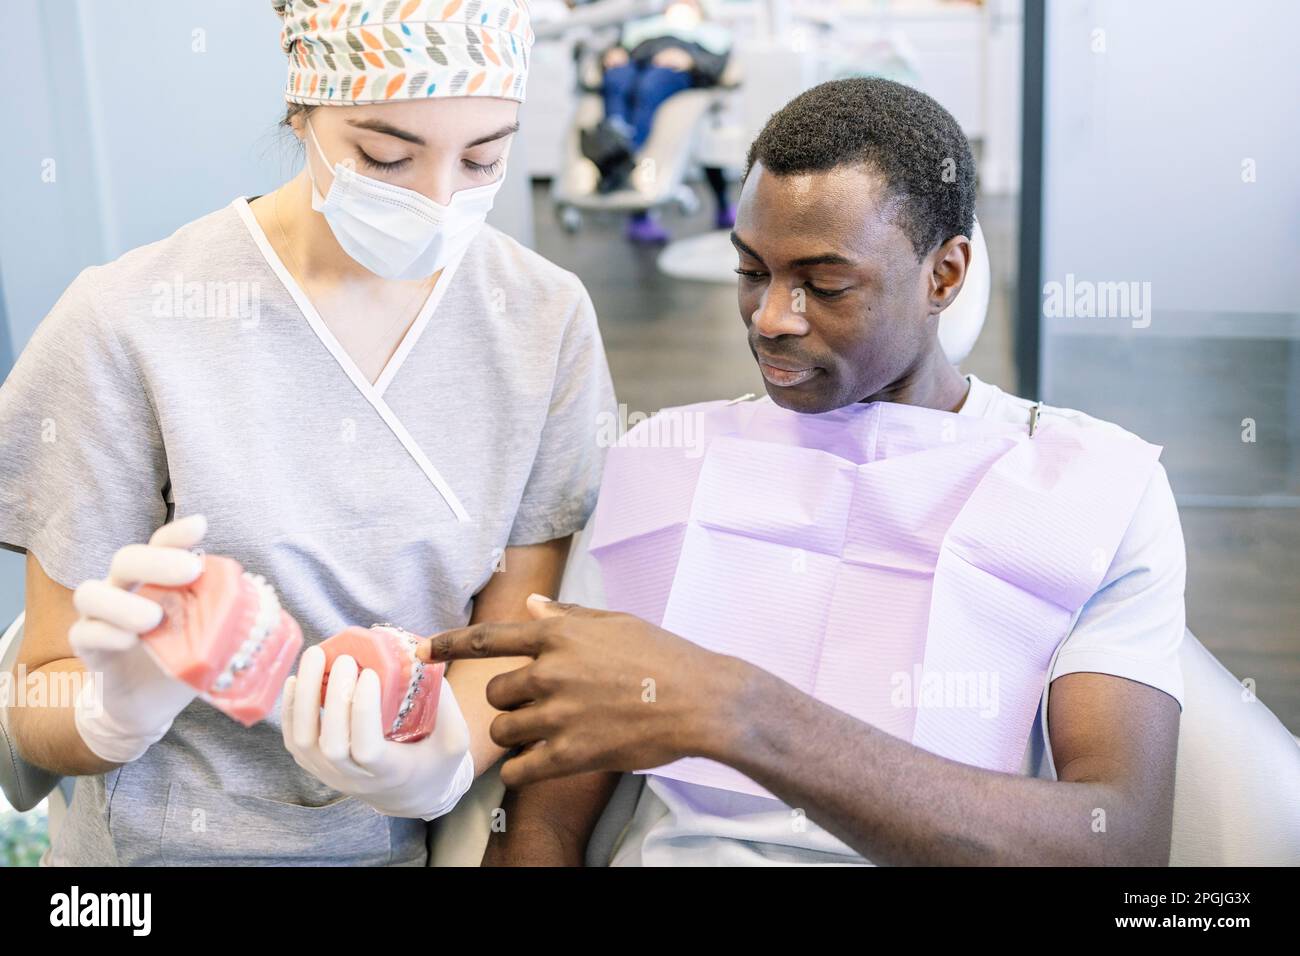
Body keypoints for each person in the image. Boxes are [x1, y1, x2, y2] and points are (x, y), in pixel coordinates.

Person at [422, 78, 1188, 866]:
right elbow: (543, 820)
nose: (771, 319)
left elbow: (1119, 844)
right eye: (753, 272)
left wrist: (740, 712)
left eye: (825, 285)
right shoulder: (669, 460)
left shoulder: (1092, 488)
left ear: (945, 276)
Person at [0, 0, 615, 866]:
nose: (439, 202)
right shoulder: (127, 321)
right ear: (303, 110)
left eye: (485, 158)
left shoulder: (542, 321)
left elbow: (510, 644)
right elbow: (37, 701)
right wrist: (110, 711)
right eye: (385, 155)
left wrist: (439, 764)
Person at [579, 0, 735, 241]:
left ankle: (620, 149)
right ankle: (615, 136)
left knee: (650, 85)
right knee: (616, 77)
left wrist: (689, 60)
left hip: (671, 72)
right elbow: (615, 51)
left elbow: (716, 65)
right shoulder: (644, 28)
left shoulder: (711, 33)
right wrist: (613, 54)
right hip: (636, 64)